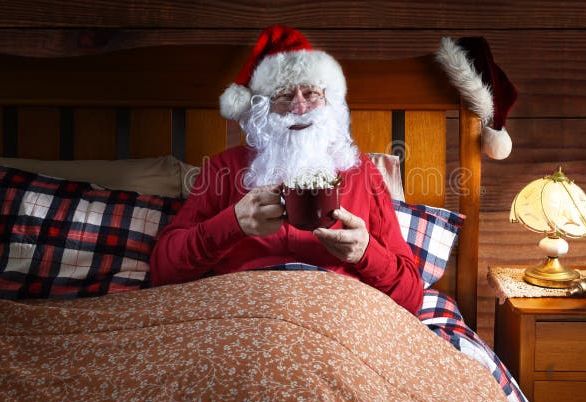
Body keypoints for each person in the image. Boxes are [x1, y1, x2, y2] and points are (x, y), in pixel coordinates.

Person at [150, 25, 423, 315]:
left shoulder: (361, 172)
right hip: (242, 315)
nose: (300, 107)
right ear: (262, 109)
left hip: (339, 318)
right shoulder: (223, 169)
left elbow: (412, 297)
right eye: (284, 95)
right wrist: (232, 223)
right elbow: (162, 272)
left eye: (311, 93)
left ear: (329, 101)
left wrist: (367, 252)